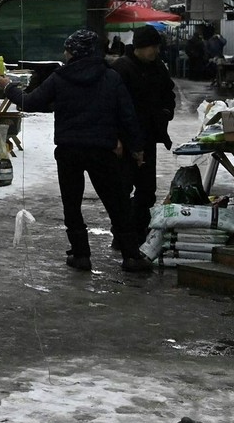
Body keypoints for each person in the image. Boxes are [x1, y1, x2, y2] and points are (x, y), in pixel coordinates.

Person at [20, 28, 148, 275]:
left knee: (72, 203)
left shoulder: (59, 78)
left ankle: (81, 255)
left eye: (67, 49)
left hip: (69, 152)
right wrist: (137, 148)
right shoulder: (110, 77)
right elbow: (127, 115)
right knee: (117, 203)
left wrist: (7, 88)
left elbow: (30, 102)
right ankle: (131, 256)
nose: (65, 54)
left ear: (75, 52)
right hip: (103, 151)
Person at [112, 25, 177, 249]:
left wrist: (166, 112)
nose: (155, 51)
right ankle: (122, 235)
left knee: (147, 190)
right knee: (122, 189)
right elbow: (112, 106)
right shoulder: (121, 68)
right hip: (126, 140)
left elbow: (169, 93)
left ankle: (139, 233)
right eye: (152, 46)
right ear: (139, 47)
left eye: (157, 46)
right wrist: (116, 138)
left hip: (148, 138)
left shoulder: (158, 67)